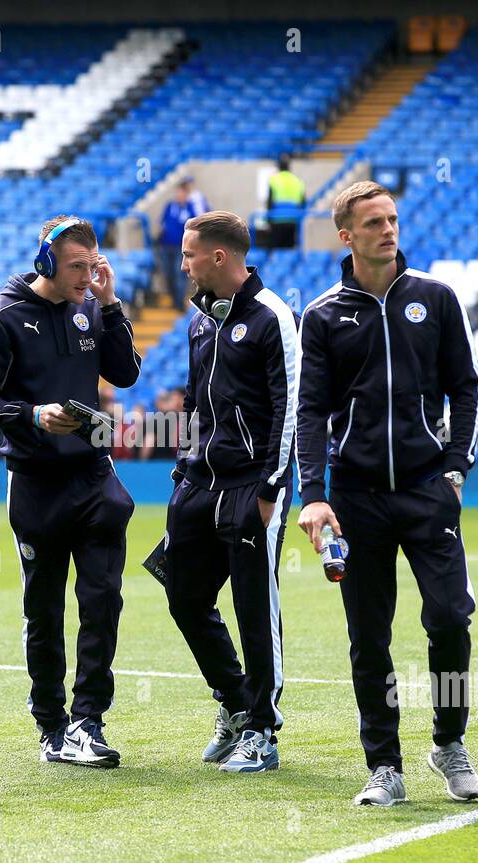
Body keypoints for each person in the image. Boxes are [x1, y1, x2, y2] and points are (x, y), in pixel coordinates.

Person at [296, 180, 478, 807]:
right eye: (373, 222)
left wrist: (456, 468)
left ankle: (448, 741)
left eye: (393, 219)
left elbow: (466, 385)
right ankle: (384, 765)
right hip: (355, 499)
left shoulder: (435, 297)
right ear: (346, 235)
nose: (388, 229)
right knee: (369, 636)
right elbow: (312, 410)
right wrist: (314, 495)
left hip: (430, 491)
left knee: (451, 618)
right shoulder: (323, 314)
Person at [0, 216, 140, 767]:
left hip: (93, 474)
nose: (87, 276)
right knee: (44, 610)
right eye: (76, 267)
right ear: (45, 262)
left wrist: (111, 308)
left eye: (93, 265)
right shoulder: (1, 314)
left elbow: (127, 373)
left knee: (102, 599)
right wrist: (32, 415)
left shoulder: (93, 305)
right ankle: (51, 727)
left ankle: (88, 721)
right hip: (35, 482)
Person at [165, 211, 300, 773]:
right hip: (199, 483)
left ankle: (263, 733)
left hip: (252, 485)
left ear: (218, 257)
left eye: (189, 254)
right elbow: (195, 404)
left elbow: (291, 407)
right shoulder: (200, 321)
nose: (183, 264)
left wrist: (272, 486)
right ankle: (235, 703)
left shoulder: (274, 317)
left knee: (252, 606)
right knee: (184, 596)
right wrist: (182, 466)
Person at [158, 179, 203, 309]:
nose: (179, 196)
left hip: (181, 247)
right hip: (166, 244)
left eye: (182, 193)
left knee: (179, 275)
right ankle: (173, 300)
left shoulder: (190, 207)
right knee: (169, 274)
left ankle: (179, 303)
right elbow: (162, 222)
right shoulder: (170, 206)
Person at [266, 155, 307, 249]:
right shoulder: (297, 181)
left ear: (278, 166)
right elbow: (303, 202)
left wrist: (268, 220)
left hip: (277, 219)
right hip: (293, 219)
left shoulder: (273, 180)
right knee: (289, 249)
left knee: (276, 250)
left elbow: (269, 201)